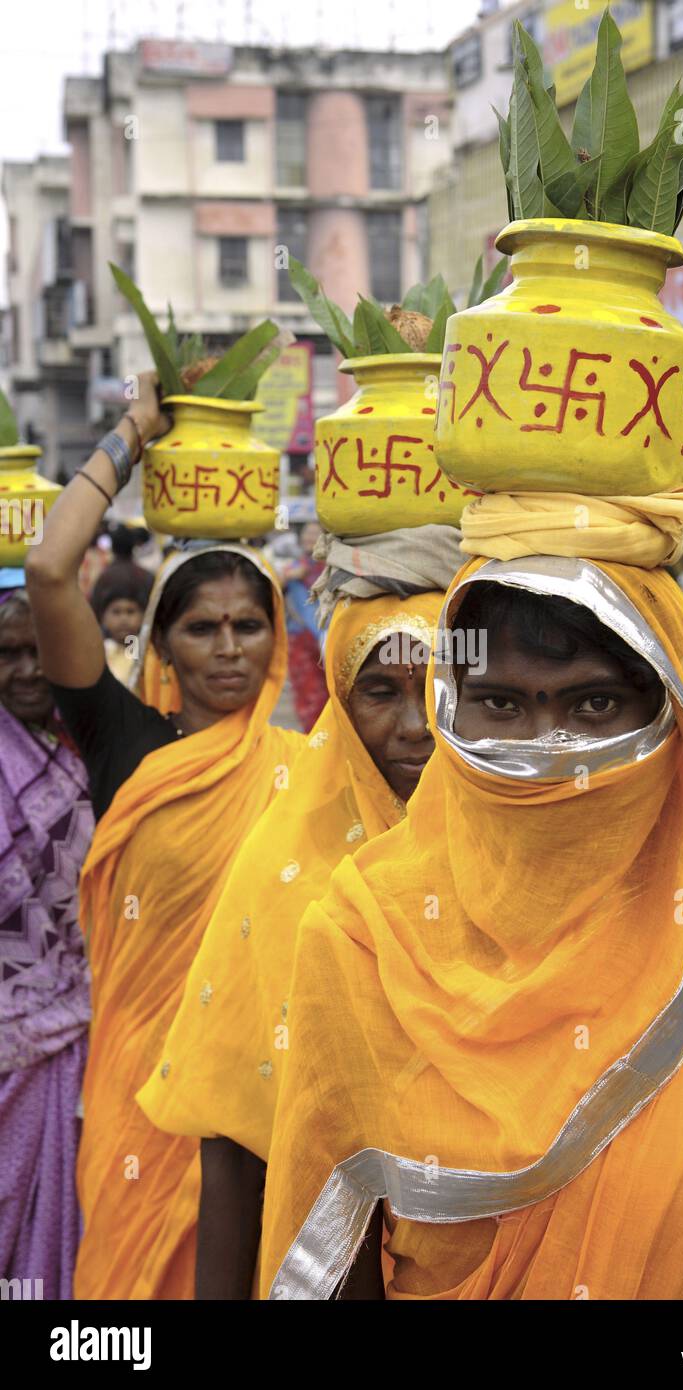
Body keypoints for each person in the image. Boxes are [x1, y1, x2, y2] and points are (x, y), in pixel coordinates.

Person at [258, 555, 683, 1301]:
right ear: (450, 708)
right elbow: (337, 1267)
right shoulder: (362, 936)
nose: (548, 751)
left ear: (673, 714)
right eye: (501, 705)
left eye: (595, 705)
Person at [25, 372, 304, 1300]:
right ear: (164, 646)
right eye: (202, 628)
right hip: (140, 1096)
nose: (229, 648)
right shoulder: (125, 743)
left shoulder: (306, 768)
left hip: (261, 1093)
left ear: (275, 637)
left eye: (248, 626)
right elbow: (50, 572)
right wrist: (131, 434)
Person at [138, 587, 443, 1298]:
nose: (415, 726)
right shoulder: (286, 873)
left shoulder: (516, 860)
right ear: (338, 703)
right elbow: (235, 1155)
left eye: (439, 689)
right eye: (379, 693)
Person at [0, 583, 93, 1300]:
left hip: (86, 1037)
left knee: (66, 1216)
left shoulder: (91, 743)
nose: (29, 669)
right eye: (8, 655)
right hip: (10, 1043)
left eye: (40, 649)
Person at [282, 520, 327, 731]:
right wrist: (288, 578)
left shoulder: (331, 569)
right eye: (307, 535)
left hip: (327, 636)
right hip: (300, 638)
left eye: (314, 535)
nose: (310, 539)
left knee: (329, 692)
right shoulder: (294, 567)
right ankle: (311, 737)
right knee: (307, 691)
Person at [90, 560, 153, 683]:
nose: (123, 619)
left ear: (143, 616)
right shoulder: (99, 653)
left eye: (130, 612)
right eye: (116, 612)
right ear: (103, 618)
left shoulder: (147, 653)